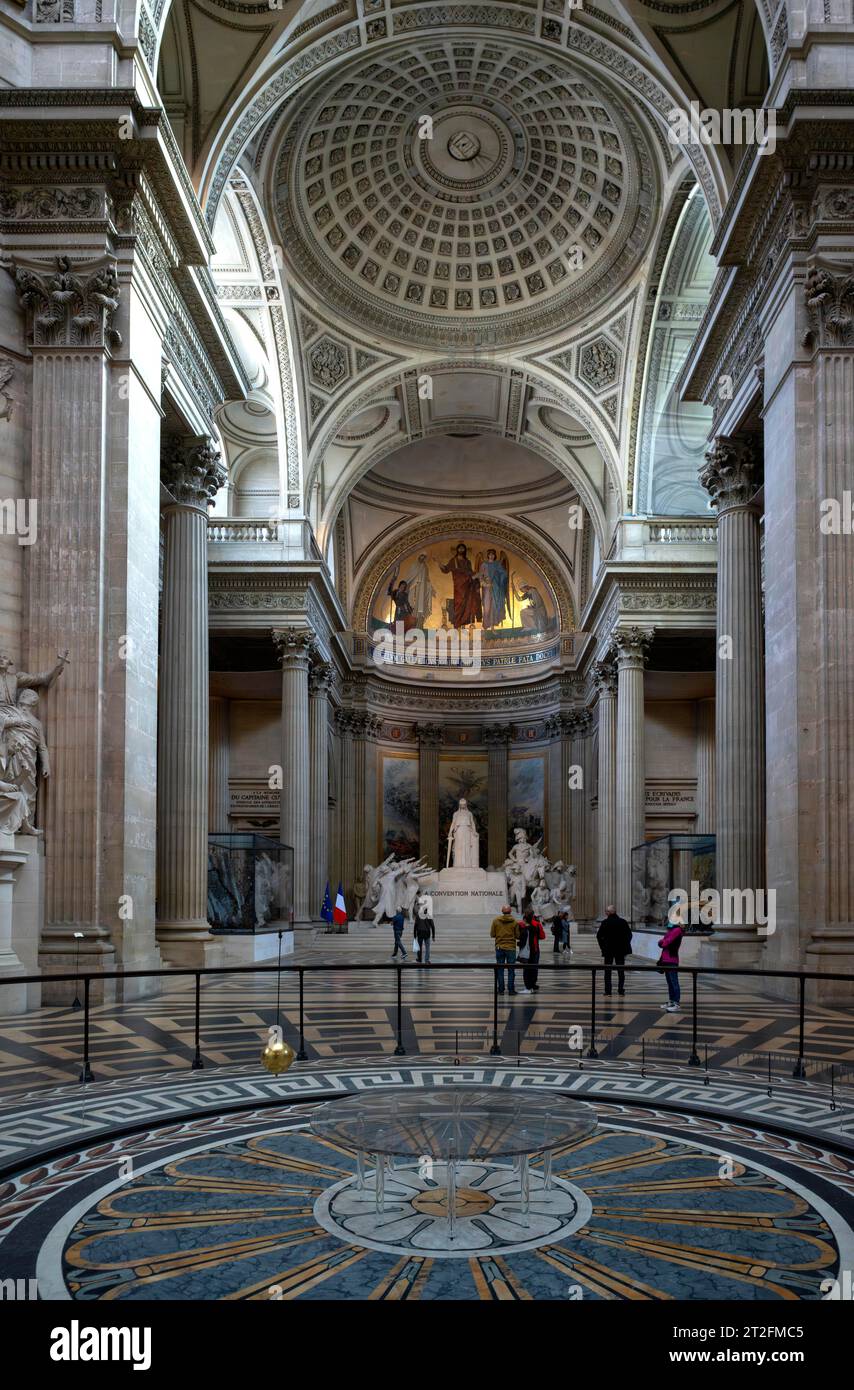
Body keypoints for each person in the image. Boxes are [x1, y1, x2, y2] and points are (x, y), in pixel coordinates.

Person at [597, 904, 633, 996]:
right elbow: (629, 935)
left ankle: (608, 991)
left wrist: (603, 947)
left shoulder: (605, 922)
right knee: (621, 971)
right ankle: (621, 990)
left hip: (608, 950)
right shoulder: (623, 922)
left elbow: (599, 936)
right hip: (620, 950)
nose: (605, 913)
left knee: (607, 971)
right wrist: (625, 946)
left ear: (609, 913)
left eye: (606, 911)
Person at [490, 905, 520, 996]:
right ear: (510, 911)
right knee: (511, 970)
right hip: (511, 948)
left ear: (502, 911)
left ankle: (501, 990)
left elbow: (492, 934)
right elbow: (518, 936)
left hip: (499, 947)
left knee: (500, 970)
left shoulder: (495, 921)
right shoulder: (515, 922)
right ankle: (511, 990)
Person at [658, 917, 685, 1011]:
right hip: (666, 959)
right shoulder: (671, 929)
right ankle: (672, 1001)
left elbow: (665, 942)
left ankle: (676, 1003)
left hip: (672, 959)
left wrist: (662, 942)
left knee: (674, 982)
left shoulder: (677, 930)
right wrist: (662, 942)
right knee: (670, 982)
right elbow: (663, 940)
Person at [517, 908, 545, 994]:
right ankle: (533, 985)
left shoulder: (521, 924)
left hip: (526, 950)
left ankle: (528, 987)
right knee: (534, 968)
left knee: (526, 969)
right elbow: (542, 936)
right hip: (535, 949)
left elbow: (518, 936)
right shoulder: (537, 924)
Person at [414, 898, 435, 966]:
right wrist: (433, 936)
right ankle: (426, 960)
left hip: (420, 933)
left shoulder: (418, 916)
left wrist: (414, 935)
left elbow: (415, 926)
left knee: (419, 947)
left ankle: (419, 959)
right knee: (427, 948)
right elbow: (432, 926)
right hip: (427, 933)